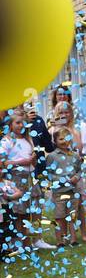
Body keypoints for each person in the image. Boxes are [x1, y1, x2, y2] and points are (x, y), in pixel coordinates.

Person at [0, 109, 37, 254]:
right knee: (18, 213)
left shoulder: (28, 139)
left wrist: (32, 161)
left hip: (29, 177)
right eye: (18, 122)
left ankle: (28, 242)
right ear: (10, 124)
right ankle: (18, 243)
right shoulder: (6, 141)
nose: (21, 125)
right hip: (16, 178)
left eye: (23, 122)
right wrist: (21, 162)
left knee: (28, 212)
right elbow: (2, 162)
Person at [46, 128, 85, 247]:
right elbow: (49, 173)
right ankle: (60, 240)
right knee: (60, 216)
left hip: (73, 191)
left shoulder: (75, 155)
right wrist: (59, 180)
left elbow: (79, 170)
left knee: (72, 215)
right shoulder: (52, 156)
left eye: (66, 138)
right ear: (55, 141)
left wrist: (76, 177)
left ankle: (73, 239)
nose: (64, 141)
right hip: (59, 192)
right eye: (61, 139)